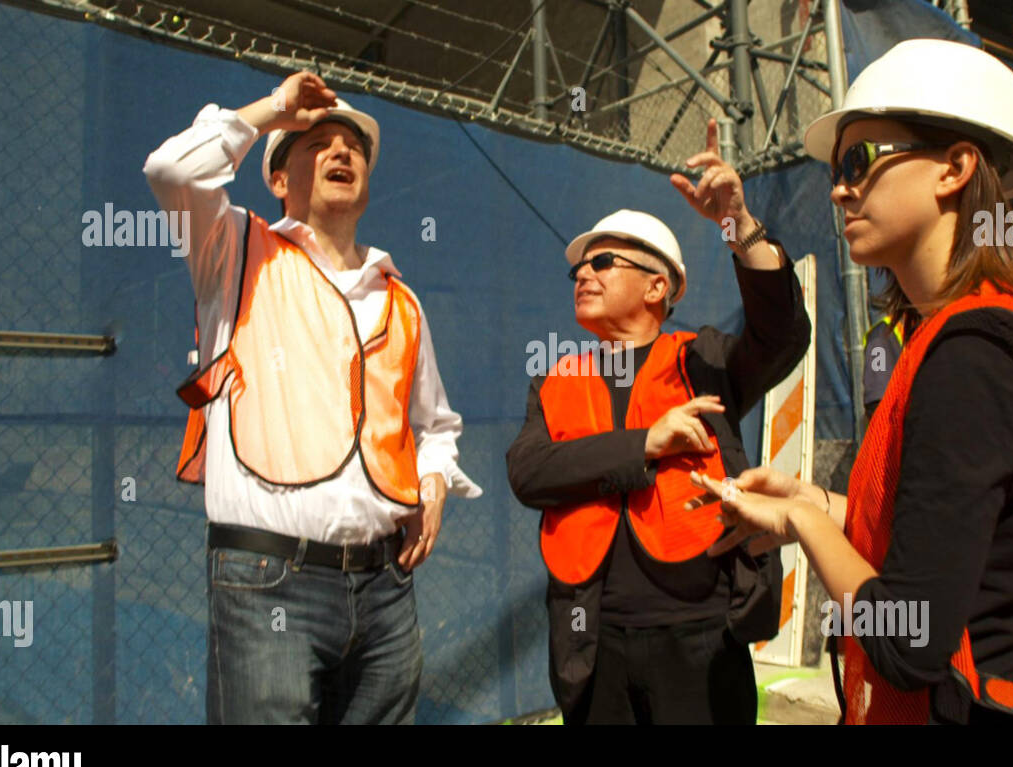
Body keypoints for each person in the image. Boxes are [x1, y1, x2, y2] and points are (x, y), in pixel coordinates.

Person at [689, 39, 1013, 724]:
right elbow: (967, 536)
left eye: (859, 160)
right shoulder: (993, 328)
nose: (839, 187)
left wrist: (802, 519)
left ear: (955, 169)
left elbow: (909, 639)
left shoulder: (974, 350)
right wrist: (813, 496)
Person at [144, 72, 480, 724]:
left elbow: (436, 423)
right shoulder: (235, 248)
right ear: (277, 178)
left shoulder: (400, 299)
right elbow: (170, 168)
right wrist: (274, 111)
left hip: (386, 590)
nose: (340, 152)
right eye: (317, 142)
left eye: (352, 146)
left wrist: (435, 478)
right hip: (267, 578)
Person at [506, 121, 811, 725]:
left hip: (700, 642)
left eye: (604, 262)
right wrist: (645, 443)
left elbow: (782, 334)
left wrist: (737, 226)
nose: (584, 275)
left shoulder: (708, 360)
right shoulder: (556, 378)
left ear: (657, 286)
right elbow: (529, 473)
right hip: (593, 643)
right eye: (579, 270)